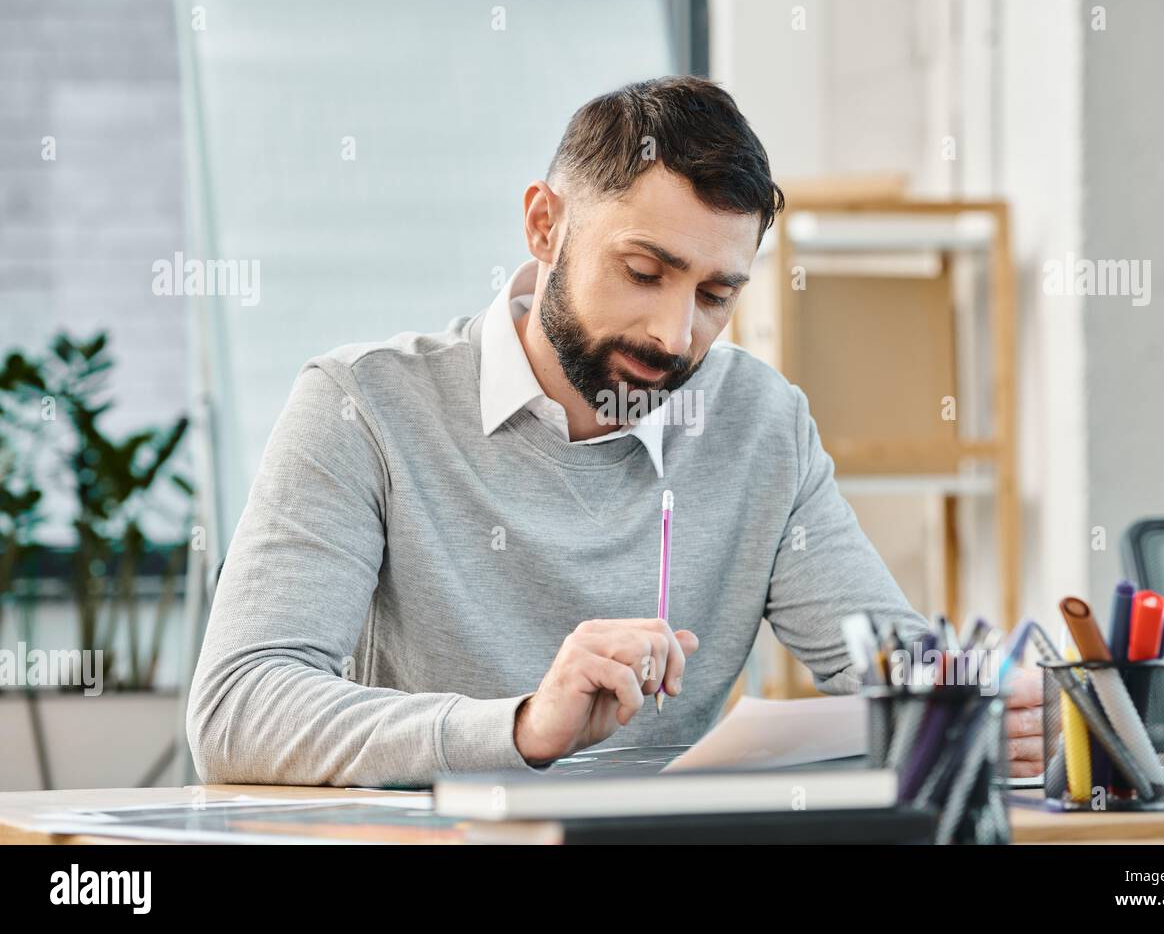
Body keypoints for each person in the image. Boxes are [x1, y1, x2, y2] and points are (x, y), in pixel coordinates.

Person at [186, 75, 1043, 787]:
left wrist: (983, 707)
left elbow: (889, 672)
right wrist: (521, 727)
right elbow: (240, 708)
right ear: (544, 225)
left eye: (716, 296)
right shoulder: (361, 407)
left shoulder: (760, 423)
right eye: (644, 272)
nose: (675, 336)